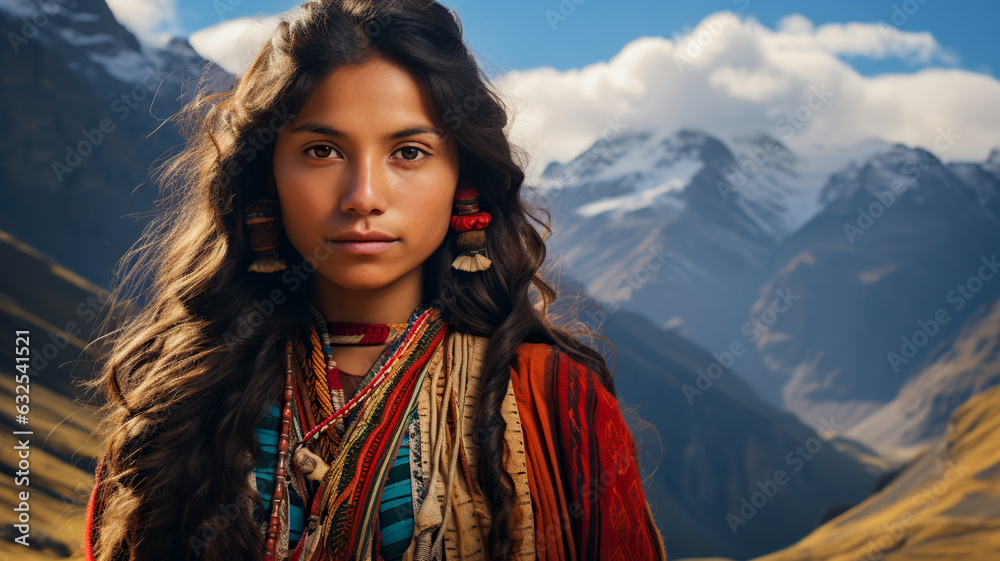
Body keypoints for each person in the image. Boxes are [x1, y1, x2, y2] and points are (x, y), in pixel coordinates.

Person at [81, 1, 668, 559]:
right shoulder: (182, 400)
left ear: (463, 178)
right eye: (321, 150)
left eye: (408, 152)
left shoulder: (556, 407)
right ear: (267, 178)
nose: (364, 196)